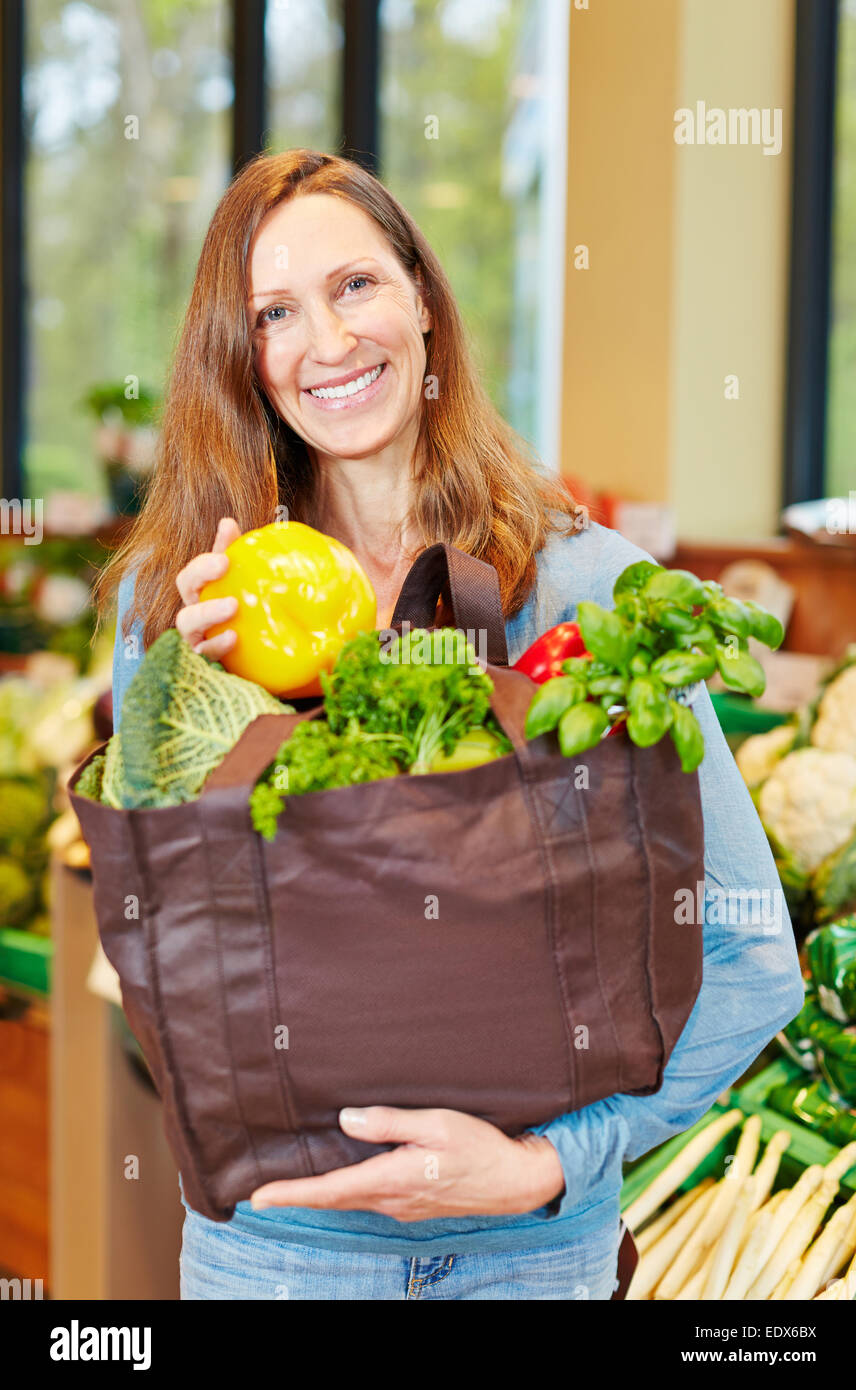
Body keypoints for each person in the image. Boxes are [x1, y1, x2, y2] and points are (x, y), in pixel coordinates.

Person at [98, 148, 803, 1301]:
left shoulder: (586, 590)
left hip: (526, 1257)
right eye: (275, 311)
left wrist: (544, 1164)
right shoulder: (187, 605)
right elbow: (154, 953)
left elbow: (744, 950)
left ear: (423, 295)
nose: (327, 342)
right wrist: (203, 701)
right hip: (277, 1259)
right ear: (242, 358)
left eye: (356, 286)